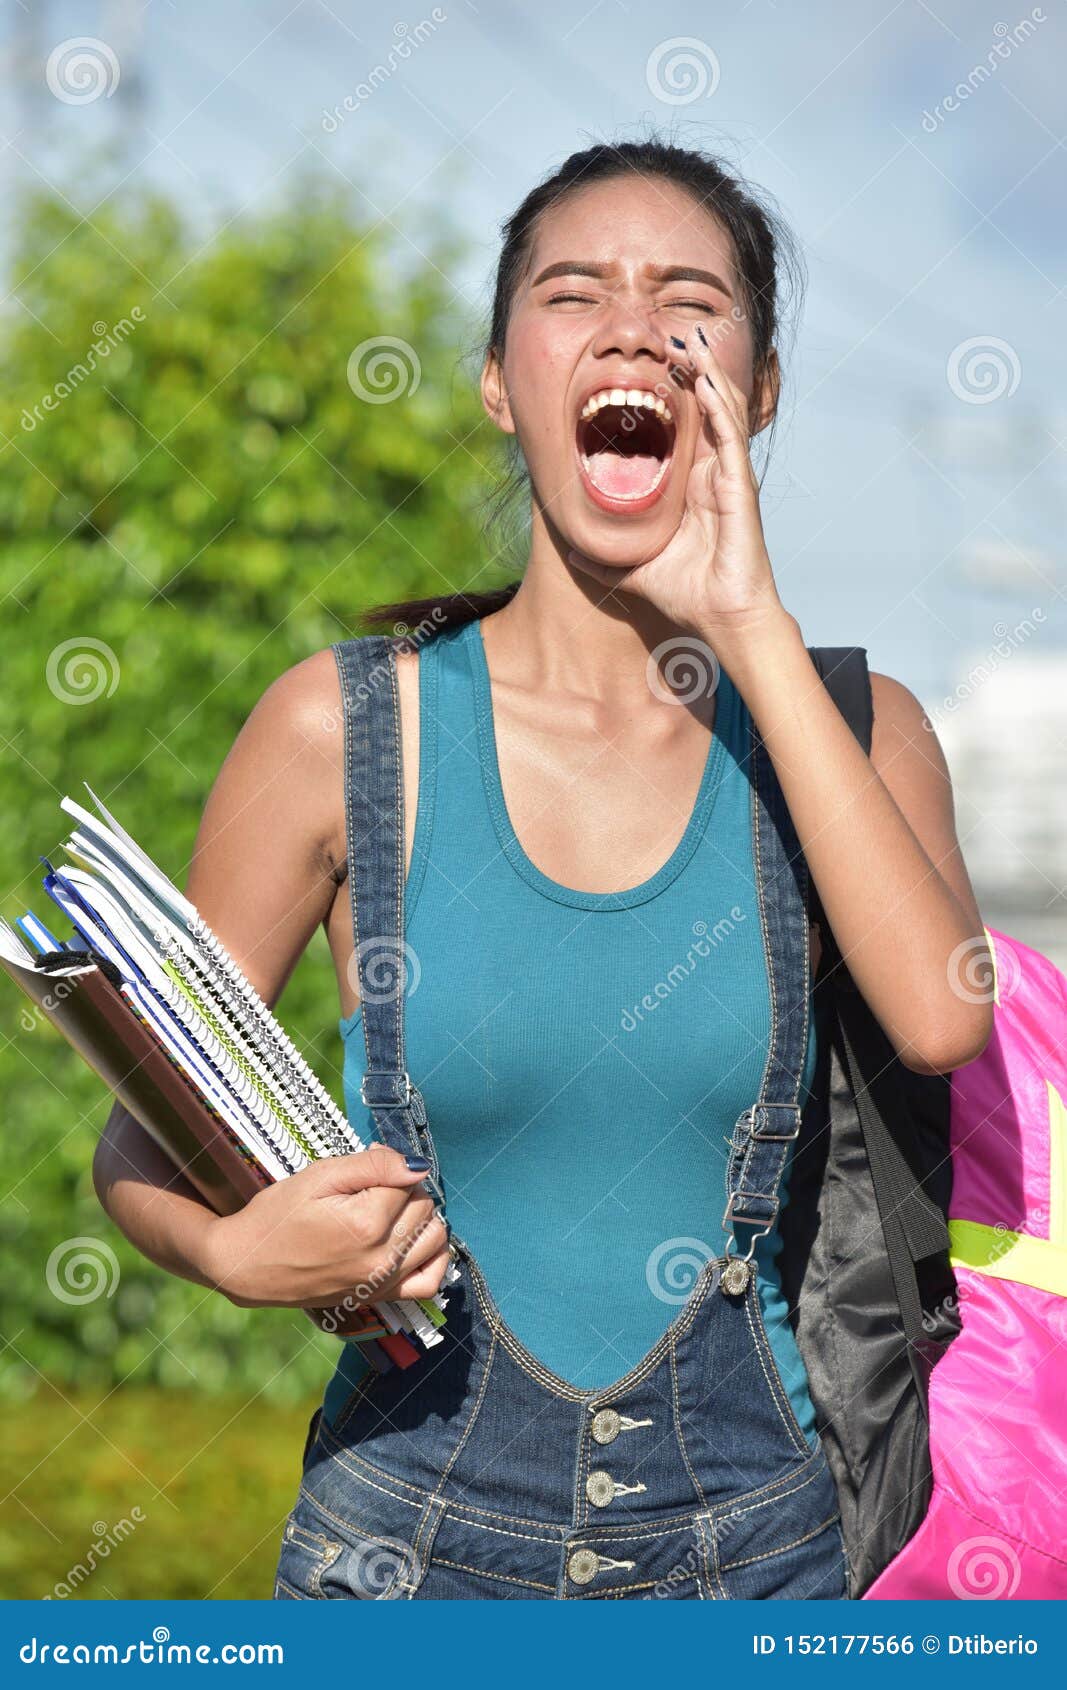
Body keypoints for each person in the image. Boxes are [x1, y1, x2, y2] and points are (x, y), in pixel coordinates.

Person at [92, 137, 993, 1600]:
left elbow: (944, 1015)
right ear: (502, 380)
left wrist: (750, 625)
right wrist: (237, 1250)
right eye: (575, 293)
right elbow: (140, 1140)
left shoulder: (851, 727)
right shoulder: (344, 729)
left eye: (688, 299)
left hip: (758, 1554)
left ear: (756, 393)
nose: (633, 325)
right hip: (406, 1550)